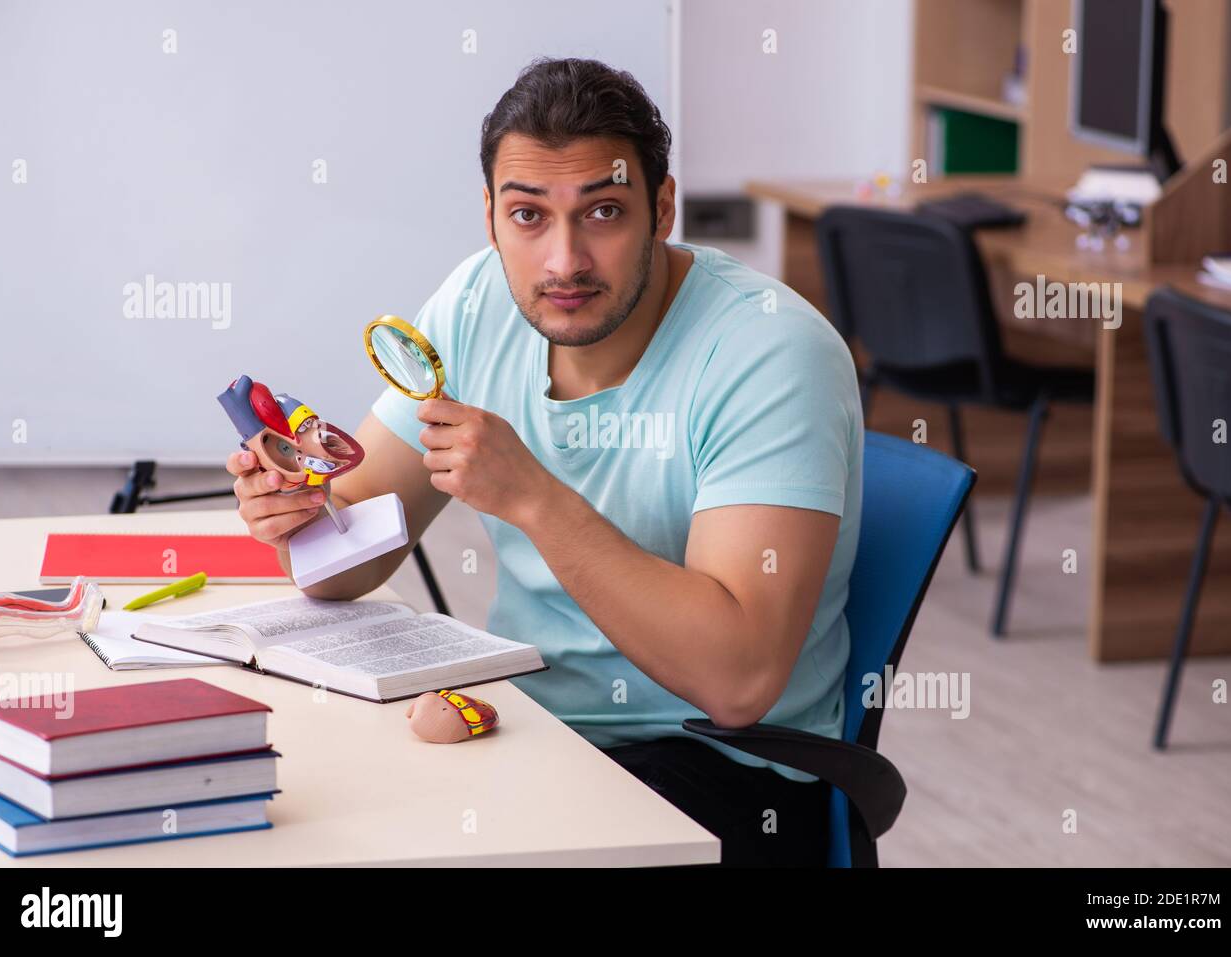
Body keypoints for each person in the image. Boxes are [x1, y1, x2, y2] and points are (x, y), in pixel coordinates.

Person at [228, 56, 863, 867]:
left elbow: (738, 683)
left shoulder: (770, 354)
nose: (564, 262)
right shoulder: (477, 301)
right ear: (490, 216)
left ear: (662, 208)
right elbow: (344, 558)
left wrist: (534, 497)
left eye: (603, 211)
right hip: (531, 728)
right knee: (292, 819)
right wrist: (296, 516)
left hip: (721, 774)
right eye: (528, 217)